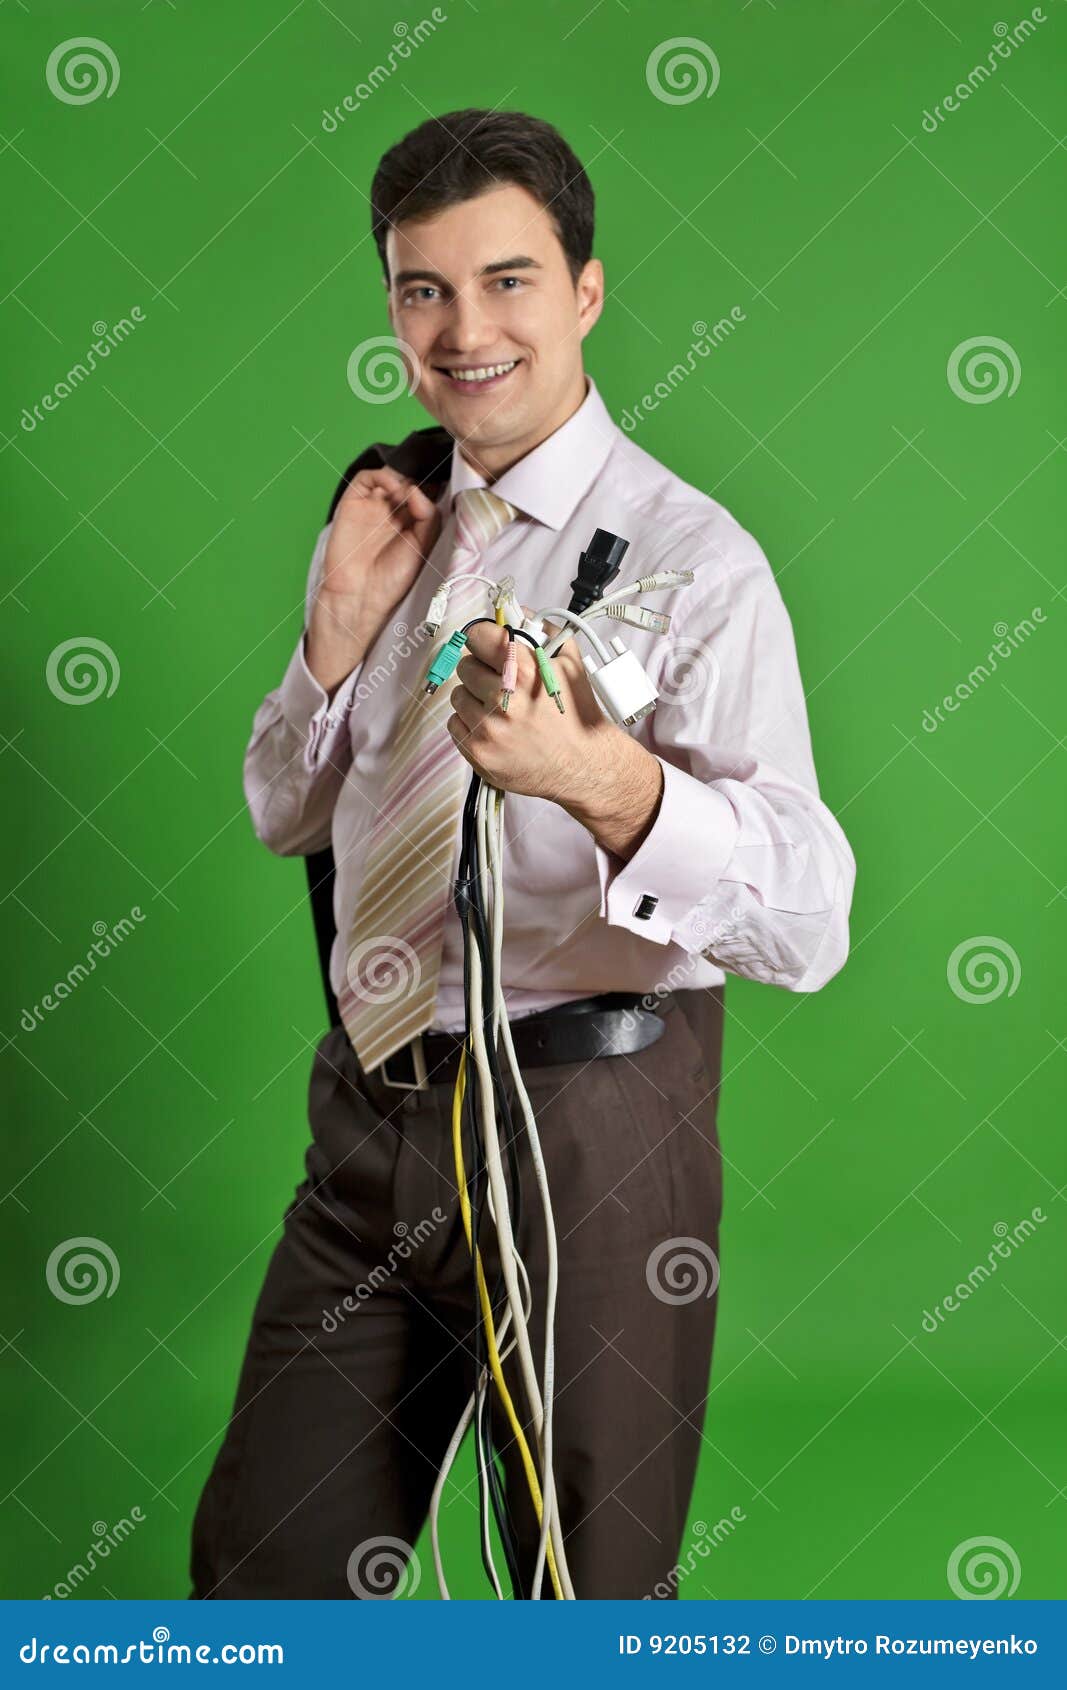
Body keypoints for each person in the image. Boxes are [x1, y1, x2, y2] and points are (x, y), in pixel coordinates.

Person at [190, 107, 855, 1601]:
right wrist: (329, 647)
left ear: (586, 293)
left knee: (587, 1590)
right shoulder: (388, 517)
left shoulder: (697, 559)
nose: (464, 329)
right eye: (424, 289)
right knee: (263, 1572)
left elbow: (812, 915)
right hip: (370, 1118)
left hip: (590, 1124)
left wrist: (601, 779)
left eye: (507, 282)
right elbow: (284, 812)